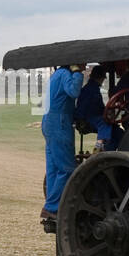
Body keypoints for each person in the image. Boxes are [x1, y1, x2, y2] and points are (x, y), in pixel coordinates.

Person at [41, 62, 85, 223]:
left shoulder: (57, 75)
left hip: (50, 122)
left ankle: (51, 207)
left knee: (53, 168)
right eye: (83, 63)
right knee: (67, 168)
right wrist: (78, 73)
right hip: (59, 123)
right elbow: (73, 91)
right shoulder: (67, 74)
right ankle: (53, 207)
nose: (85, 65)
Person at [74, 65, 114, 151]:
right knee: (105, 122)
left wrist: (107, 112)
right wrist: (80, 120)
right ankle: (99, 146)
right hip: (87, 119)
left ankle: (108, 151)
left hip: (94, 118)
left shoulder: (94, 89)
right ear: (100, 77)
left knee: (117, 130)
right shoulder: (89, 90)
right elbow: (82, 106)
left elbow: (100, 107)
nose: (103, 80)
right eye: (103, 78)